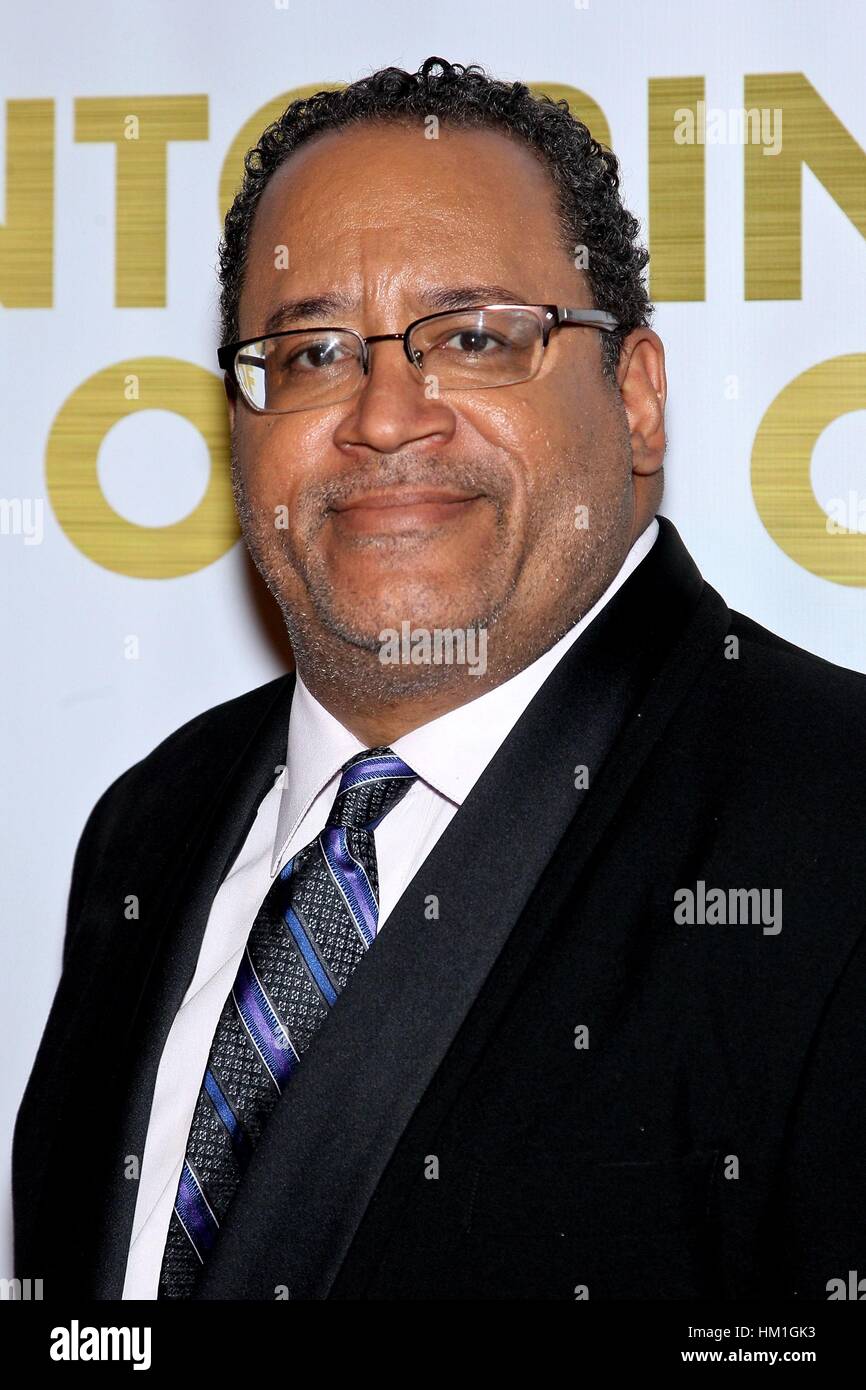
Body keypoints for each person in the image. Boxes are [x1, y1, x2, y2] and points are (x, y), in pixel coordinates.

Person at [13, 56, 866, 1302]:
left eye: (470, 337)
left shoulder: (836, 817)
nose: (383, 413)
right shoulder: (146, 829)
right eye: (308, 354)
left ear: (634, 399)